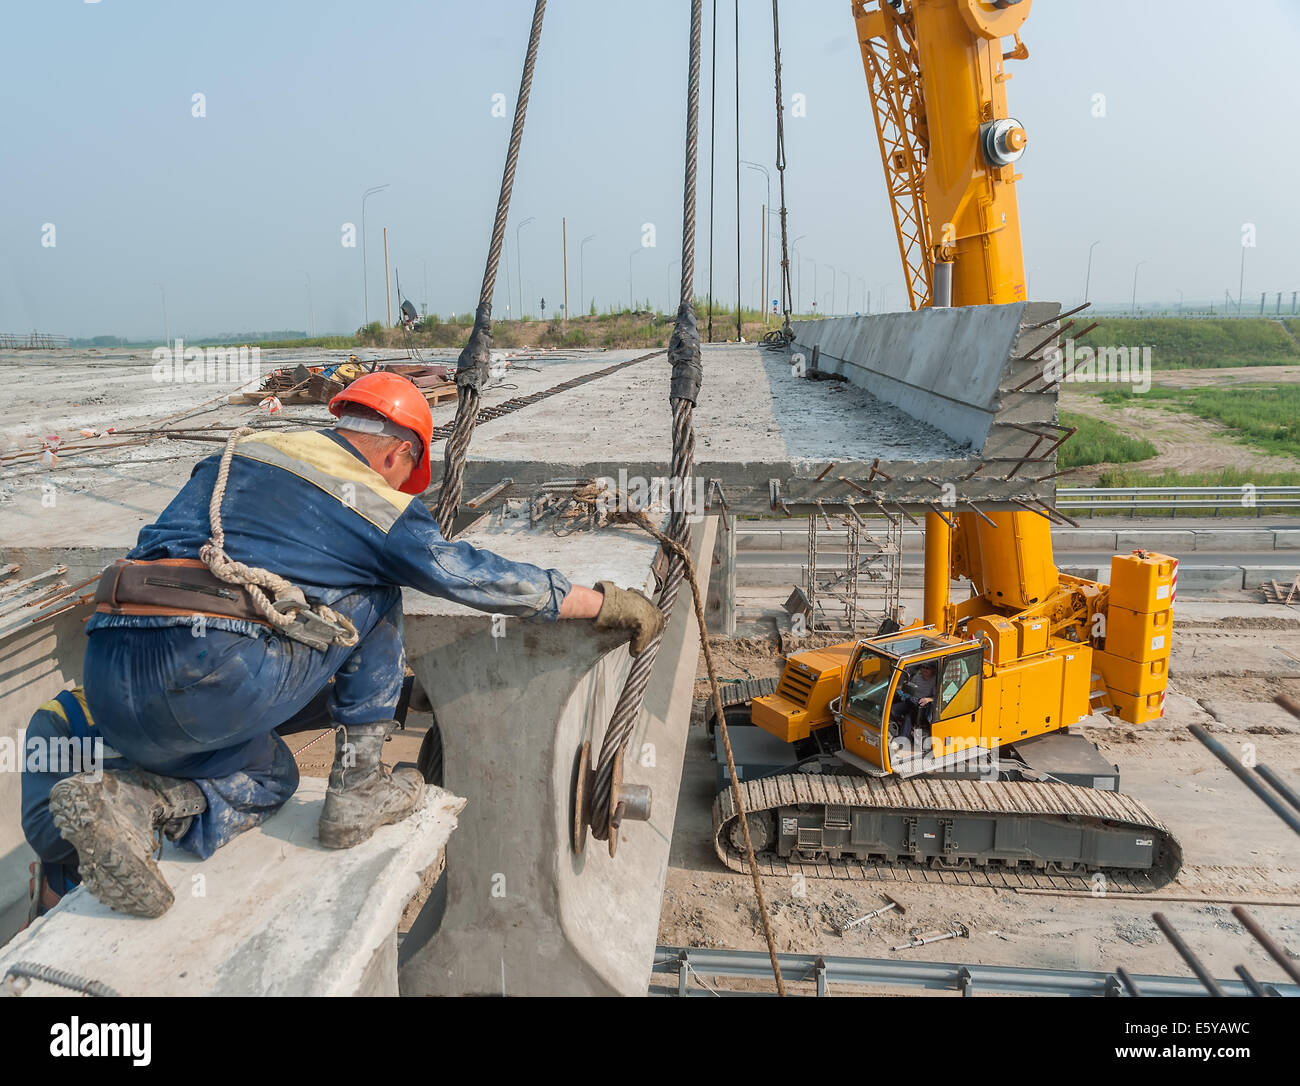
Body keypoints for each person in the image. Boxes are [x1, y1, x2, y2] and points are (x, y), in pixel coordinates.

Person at [22, 372, 662, 919]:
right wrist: (602, 602)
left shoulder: (239, 453)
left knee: (271, 771)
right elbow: (471, 576)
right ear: (397, 455)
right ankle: (357, 786)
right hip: (213, 678)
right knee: (380, 592)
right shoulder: (373, 500)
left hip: (108, 673)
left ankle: (137, 802)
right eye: (409, 472)